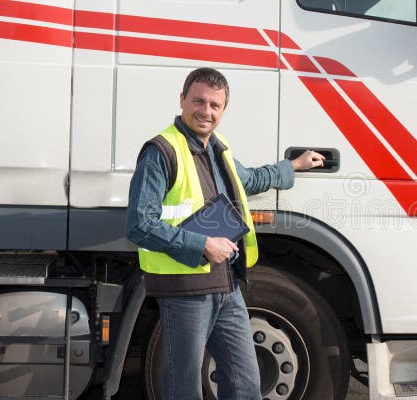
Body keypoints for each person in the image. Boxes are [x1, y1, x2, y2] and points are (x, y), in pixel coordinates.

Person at [125, 67, 324, 400]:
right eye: (199, 101)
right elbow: (139, 224)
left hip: (226, 284)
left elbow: (247, 180)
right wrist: (202, 243)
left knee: (245, 384)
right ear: (182, 100)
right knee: (183, 387)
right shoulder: (162, 151)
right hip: (186, 287)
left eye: (215, 105)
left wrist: (293, 166)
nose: (206, 111)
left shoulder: (219, 148)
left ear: (223, 110)